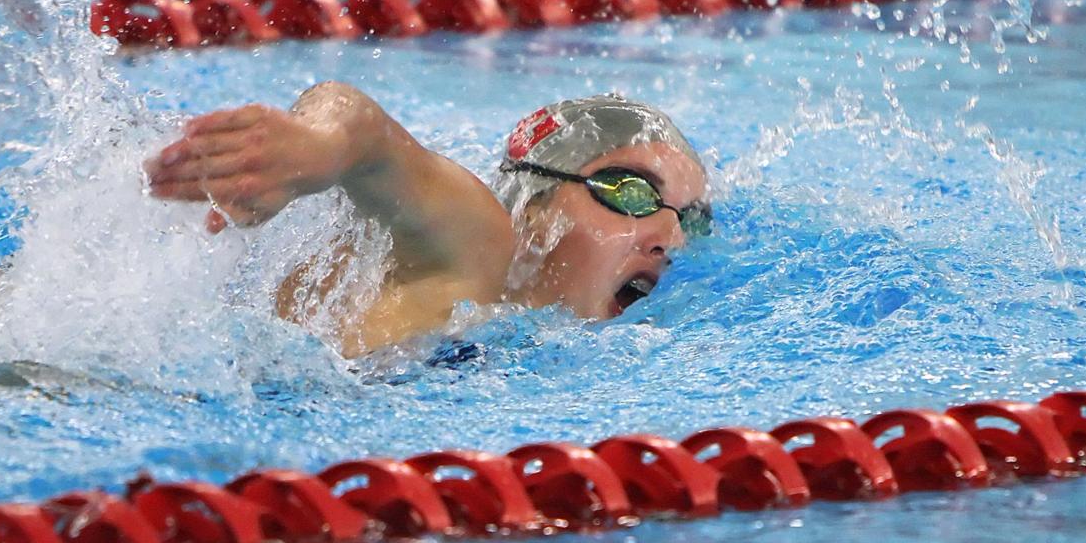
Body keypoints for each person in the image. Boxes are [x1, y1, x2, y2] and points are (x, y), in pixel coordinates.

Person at [144, 83, 711, 357]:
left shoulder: (517, 326)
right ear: (535, 208)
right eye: (630, 192)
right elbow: (370, 137)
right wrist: (318, 148)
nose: (672, 239)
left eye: (692, 219)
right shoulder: (480, 246)